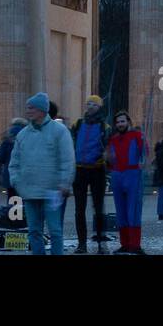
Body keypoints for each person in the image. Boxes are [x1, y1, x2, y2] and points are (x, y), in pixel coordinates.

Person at [8, 91, 75, 255]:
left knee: (55, 231)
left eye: (31, 107)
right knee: (34, 231)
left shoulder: (59, 131)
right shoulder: (22, 135)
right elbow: (14, 161)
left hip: (52, 191)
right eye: (27, 107)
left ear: (41, 110)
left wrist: (64, 183)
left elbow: (67, 159)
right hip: (29, 191)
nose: (28, 111)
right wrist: (16, 181)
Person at [69, 95, 109, 254]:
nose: (90, 106)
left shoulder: (104, 127)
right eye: (88, 103)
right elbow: (70, 142)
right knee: (79, 209)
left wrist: (105, 158)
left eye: (94, 104)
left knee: (98, 208)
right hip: (79, 170)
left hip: (97, 170)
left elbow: (108, 147)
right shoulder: (77, 124)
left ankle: (101, 243)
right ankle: (82, 244)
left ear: (99, 107)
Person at [106, 110, 147, 254]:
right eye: (118, 122)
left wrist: (143, 159)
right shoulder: (114, 139)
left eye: (122, 121)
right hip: (117, 175)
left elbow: (144, 153)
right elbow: (110, 159)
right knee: (121, 212)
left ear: (128, 122)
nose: (120, 124)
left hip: (132, 174)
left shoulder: (137, 136)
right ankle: (125, 243)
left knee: (133, 211)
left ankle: (135, 244)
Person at [0, 118, 26, 200]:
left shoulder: (6, 138)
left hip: (9, 173)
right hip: (23, 173)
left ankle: (13, 212)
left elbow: (1, 157)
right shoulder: (26, 136)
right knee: (23, 199)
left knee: (11, 198)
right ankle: (21, 212)